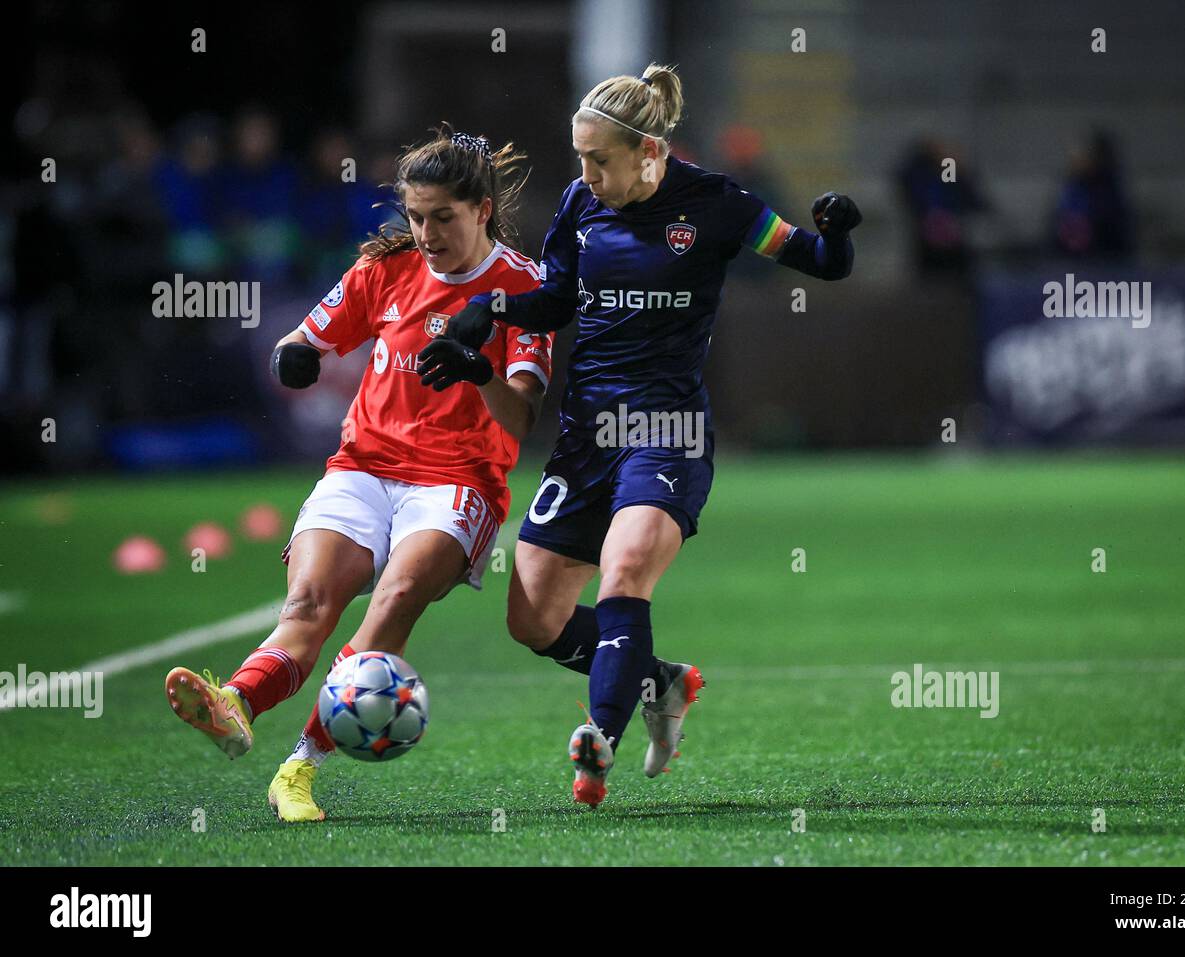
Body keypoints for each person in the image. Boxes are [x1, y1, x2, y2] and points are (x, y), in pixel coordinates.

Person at [419, 64, 861, 807]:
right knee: (532, 618)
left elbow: (822, 263)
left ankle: (600, 739)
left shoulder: (719, 204)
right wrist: (491, 310)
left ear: (649, 153)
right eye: (580, 158)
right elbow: (555, 299)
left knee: (624, 574)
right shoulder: (579, 206)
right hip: (588, 436)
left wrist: (839, 232)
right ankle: (659, 681)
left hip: (667, 431)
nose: (586, 175)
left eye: (601, 160)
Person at [164, 126, 554, 822]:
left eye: (443, 217)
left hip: (456, 482)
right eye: (415, 215)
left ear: (482, 211)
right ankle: (236, 704)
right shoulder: (386, 271)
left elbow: (520, 421)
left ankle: (300, 769)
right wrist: (295, 357)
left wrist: (481, 370)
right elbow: (304, 338)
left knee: (395, 594)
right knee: (309, 605)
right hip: (364, 466)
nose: (426, 233)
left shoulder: (523, 288)